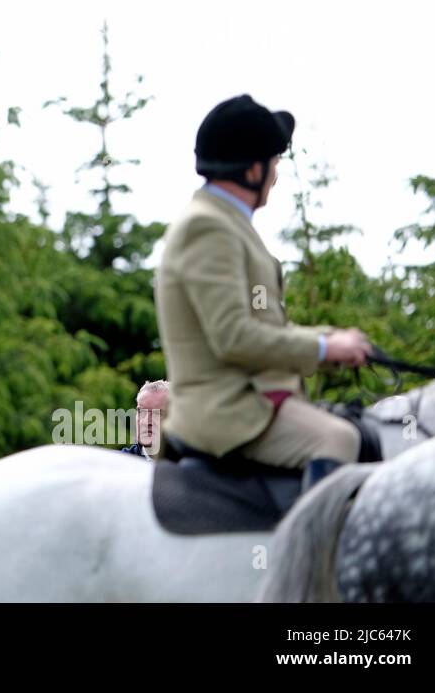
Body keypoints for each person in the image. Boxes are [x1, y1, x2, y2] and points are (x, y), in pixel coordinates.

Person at [155, 95, 369, 490]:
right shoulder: (209, 228)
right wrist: (325, 348)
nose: (276, 174)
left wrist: (332, 340)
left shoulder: (229, 225)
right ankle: (309, 554)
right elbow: (234, 337)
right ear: (253, 169)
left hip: (252, 397)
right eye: (274, 163)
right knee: (338, 437)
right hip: (226, 410)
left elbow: (264, 324)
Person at [119, 380, 169, 460]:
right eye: (141, 411)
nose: (146, 422)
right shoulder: (119, 464)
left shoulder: (190, 466)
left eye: (157, 414)